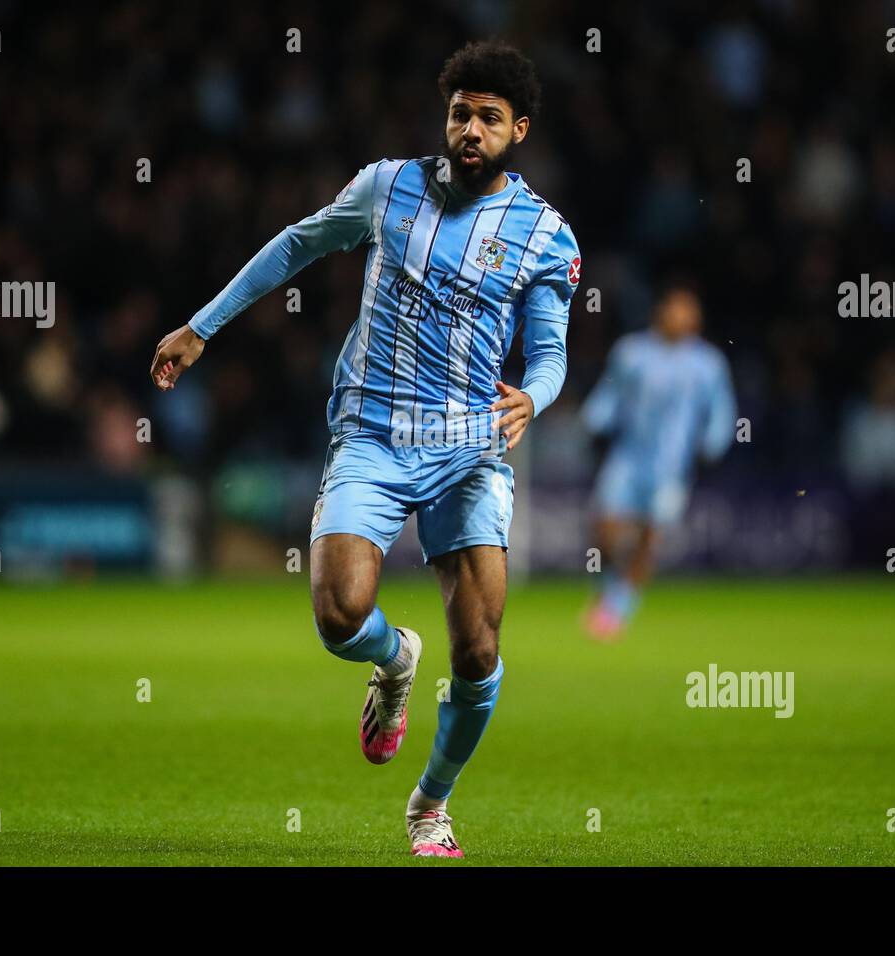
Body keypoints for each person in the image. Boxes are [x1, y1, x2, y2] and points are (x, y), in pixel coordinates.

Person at [148, 41, 580, 857]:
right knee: (340, 615)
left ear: (518, 129)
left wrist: (536, 395)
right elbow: (295, 245)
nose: (471, 130)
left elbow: (551, 351)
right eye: (460, 113)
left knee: (481, 645)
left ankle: (431, 805)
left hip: (471, 447)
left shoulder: (544, 236)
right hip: (373, 434)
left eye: (490, 117)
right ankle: (393, 659)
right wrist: (201, 327)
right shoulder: (387, 187)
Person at [582, 285, 735, 640]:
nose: (681, 317)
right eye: (675, 309)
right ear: (661, 311)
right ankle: (607, 587)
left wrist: (713, 443)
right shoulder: (632, 352)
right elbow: (611, 394)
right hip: (627, 458)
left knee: (650, 536)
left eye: (688, 311)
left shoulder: (708, 363)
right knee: (604, 531)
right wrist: (594, 418)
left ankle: (619, 606)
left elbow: (721, 409)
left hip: (672, 466)